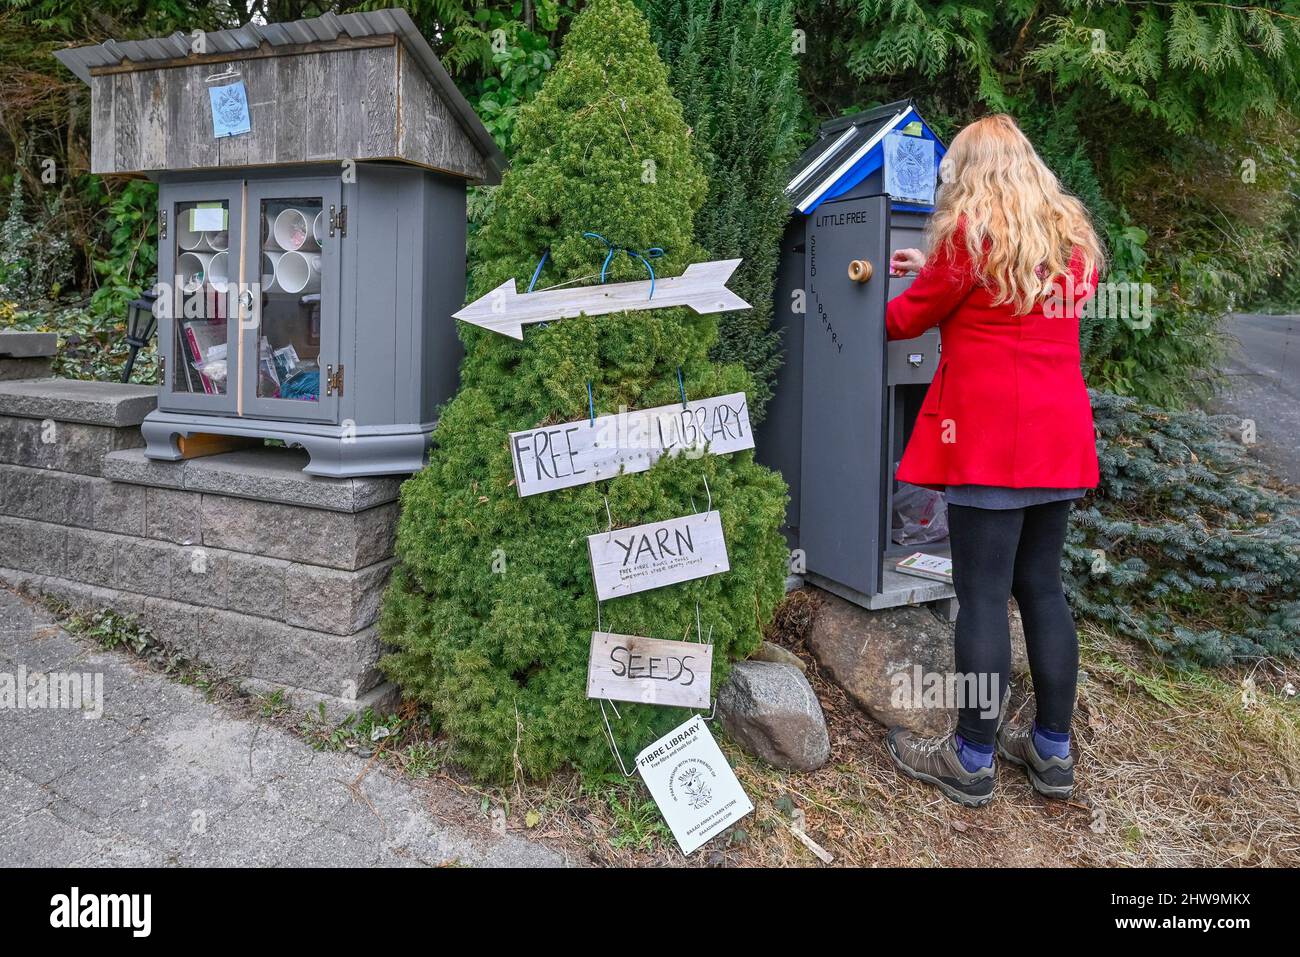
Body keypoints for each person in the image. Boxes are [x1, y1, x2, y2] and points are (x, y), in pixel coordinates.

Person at [883, 114, 1104, 808]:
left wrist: (878, 295)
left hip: (987, 440)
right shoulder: (1069, 240)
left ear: (971, 172)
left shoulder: (969, 237)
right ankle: (1051, 751)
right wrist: (935, 273)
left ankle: (971, 756)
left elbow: (904, 320)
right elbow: (1011, 295)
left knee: (981, 595)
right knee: (1041, 589)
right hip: (1057, 439)